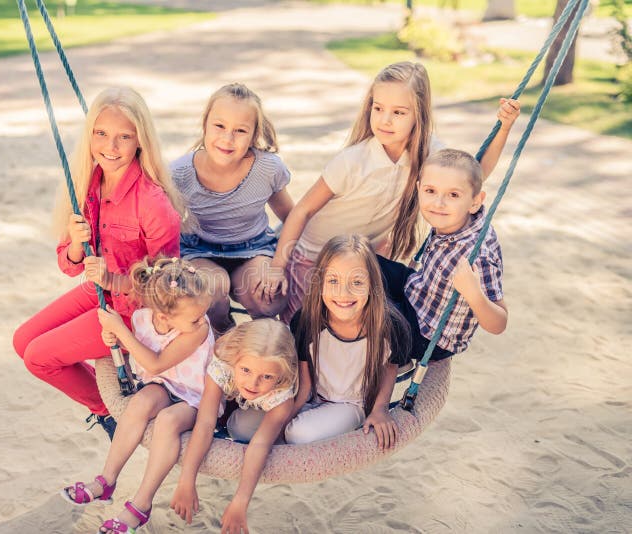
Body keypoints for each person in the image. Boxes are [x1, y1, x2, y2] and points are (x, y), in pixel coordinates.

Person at [266, 61, 520, 323]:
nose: (385, 120)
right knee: (300, 329)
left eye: (398, 112)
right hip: (313, 256)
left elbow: (472, 175)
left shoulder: (427, 153)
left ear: (418, 114)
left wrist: (504, 128)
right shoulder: (353, 161)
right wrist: (277, 267)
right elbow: (303, 210)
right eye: (378, 108)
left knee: (342, 328)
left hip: (356, 262)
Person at [12, 86, 182, 438]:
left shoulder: (152, 203)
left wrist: (115, 280)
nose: (111, 147)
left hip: (133, 312)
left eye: (124, 137)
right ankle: (110, 409)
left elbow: (167, 287)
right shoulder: (87, 183)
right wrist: (76, 243)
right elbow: (69, 265)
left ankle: (112, 412)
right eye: (101, 134)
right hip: (99, 291)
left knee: (38, 357)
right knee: (22, 340)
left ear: (140, 141)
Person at [60, 256, 214, 534]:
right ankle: (106, 480)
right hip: (163, 384)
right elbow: (144, 358)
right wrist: (114, 337)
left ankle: (141, 505)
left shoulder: (198, 331)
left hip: (195, 397)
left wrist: (120, 329)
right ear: (164, 316)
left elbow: (155, 362)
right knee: (140, 402)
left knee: (167, 421)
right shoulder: (143, 318)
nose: (203, 320)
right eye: (195, 316)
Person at [172, 83, 295, 334]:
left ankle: (264, 342)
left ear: (253, 135)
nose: (227, 138)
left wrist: (278, 266)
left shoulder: (267, 169)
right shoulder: (180, 173)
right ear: (205, 123)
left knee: (268, 295)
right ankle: (224, 333)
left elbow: (291, 217)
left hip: (252, 248)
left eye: (240, 130)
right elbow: (162, 223)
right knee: (210, 289)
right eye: (219, 126)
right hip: (200, 250)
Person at [170, 319, 298, 533]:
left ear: (279, 376)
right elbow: (205, 422)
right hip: (231, 393)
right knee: (222, 415)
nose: (253, 383)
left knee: (242, 429)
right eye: (246, 370)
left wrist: (240, 502)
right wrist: (186, 479)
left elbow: (260, 445)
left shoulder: (282, 394)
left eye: (266, 376)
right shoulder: (223, 363)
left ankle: (239, 412)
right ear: (235, 360)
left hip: (262, 408)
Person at [285, 234, 410, 449]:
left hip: (350, 404)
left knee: (298, 435)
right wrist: (284, 417)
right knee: (241, 427)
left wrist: (380, 408)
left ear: (372, 284)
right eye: (333, 281)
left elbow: (390, 368)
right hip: (311, 396)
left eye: (357, 282)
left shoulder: (389, 326)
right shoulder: (307, 320)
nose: (344, 293)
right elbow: (304, 384)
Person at [382, 148, 508, 362]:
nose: (438, 203)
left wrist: (473, 294)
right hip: (418, 292)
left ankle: (392, 360)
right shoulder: (453, 219)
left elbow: (499, 324)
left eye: (453, 195)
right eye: (430, 191)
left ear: (475, 201)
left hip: (427, 336)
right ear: (418, 189)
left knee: (364, 312)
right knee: (362, 262)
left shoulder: (478, 256)